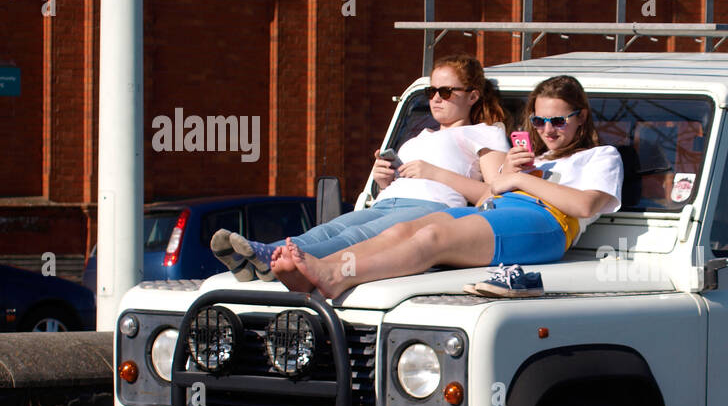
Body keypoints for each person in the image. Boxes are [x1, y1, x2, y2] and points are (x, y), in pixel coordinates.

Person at [270, 74, 623, 298]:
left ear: (582, 118)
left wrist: (515, 180)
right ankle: (317, 269)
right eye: (540, 121)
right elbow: (489, 193)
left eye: (558, 121)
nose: (548, 130)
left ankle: (334, 276)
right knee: (405, 228)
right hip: (498, 211)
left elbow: (586, 206)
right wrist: (508, 177)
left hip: (547, 225)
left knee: (431, 240)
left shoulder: (600, 155)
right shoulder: (535, 159)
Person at [210, 55, 510, 280]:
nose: (435, 99)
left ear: (472, 95)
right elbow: (402, 179)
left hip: (432, 208)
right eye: (430, 92)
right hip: (389, 201)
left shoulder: (485, 133)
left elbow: (497, 195)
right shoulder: (421, 134)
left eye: (446, 92)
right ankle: (255, 258)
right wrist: (384, 177)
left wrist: (434, 173)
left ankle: (271, 258)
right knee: (331, 228)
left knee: (357, 237)